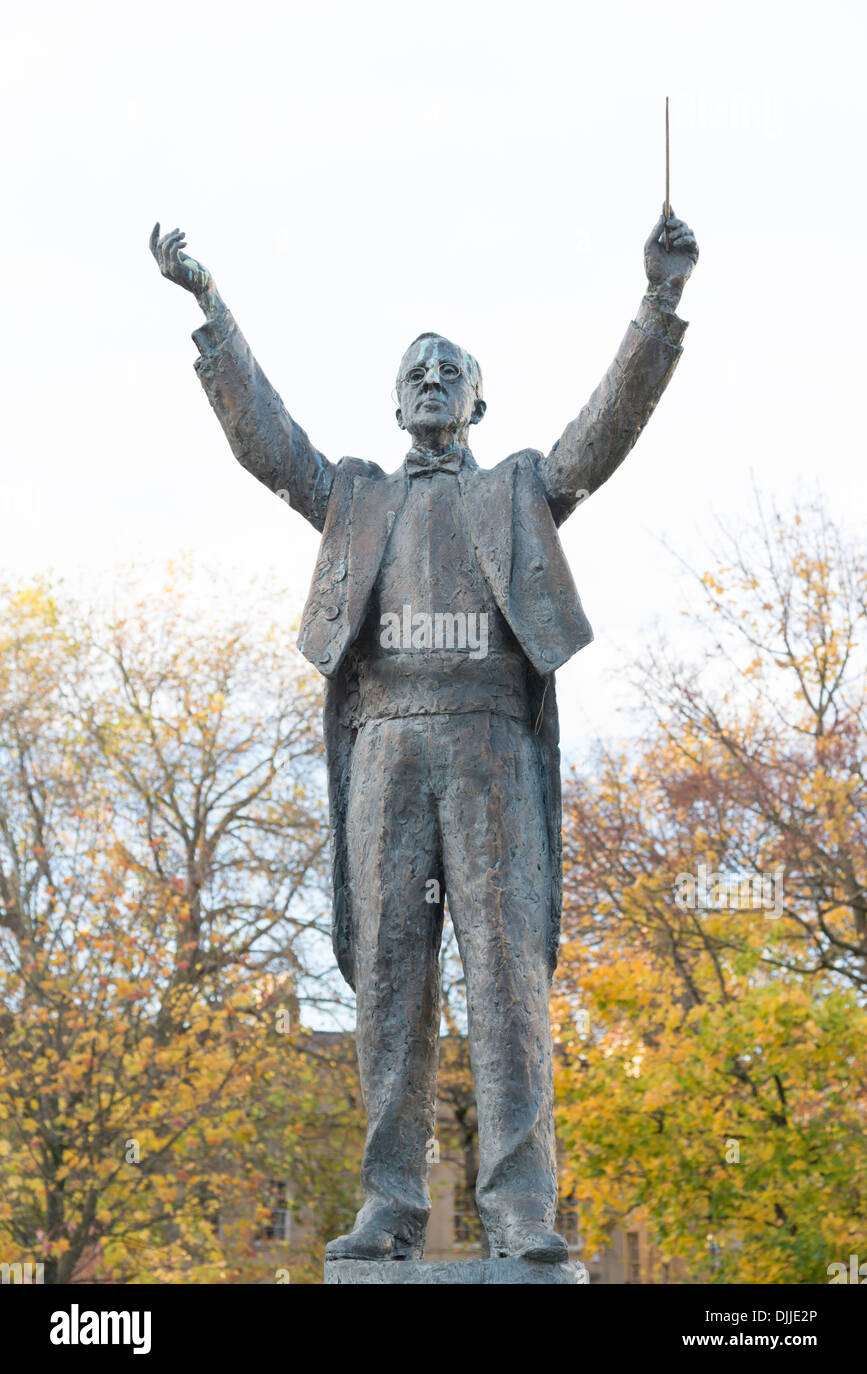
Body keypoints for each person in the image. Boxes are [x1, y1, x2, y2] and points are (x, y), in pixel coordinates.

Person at [150, 210, 698, 1262]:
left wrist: (658, 305)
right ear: (397, 400)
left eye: (452, 370)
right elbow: (268, 444)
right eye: (417, 370)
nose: (432, 380)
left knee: (505, 985)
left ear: (479, 399)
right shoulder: (354, 496)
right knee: (392, 982)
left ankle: (524, 1213)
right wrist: (213, 314)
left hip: (491, 748)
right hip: (387, 752)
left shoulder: (517, 491)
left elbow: (603, 431)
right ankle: (391, 1203)